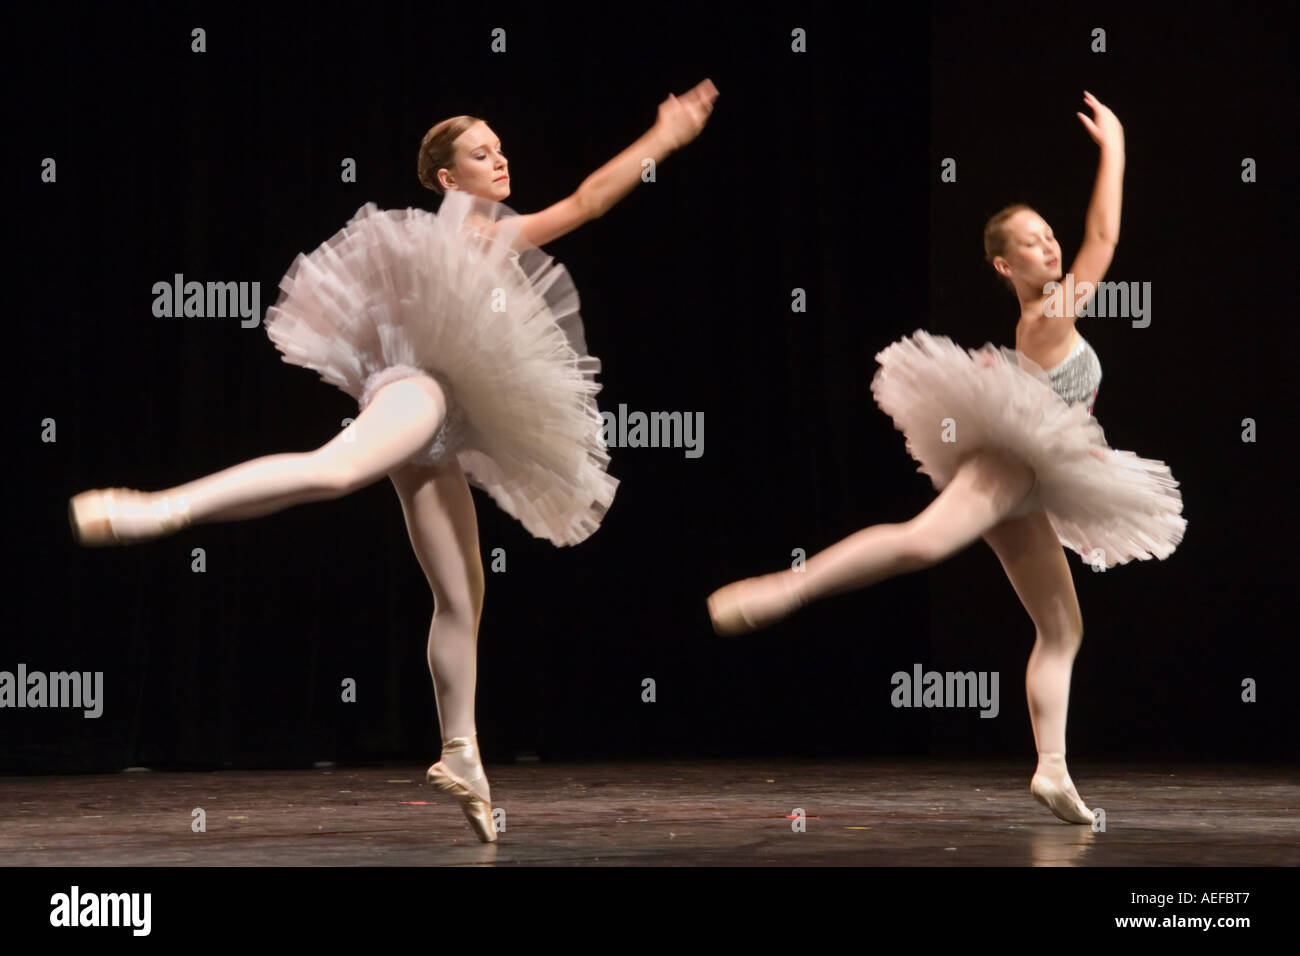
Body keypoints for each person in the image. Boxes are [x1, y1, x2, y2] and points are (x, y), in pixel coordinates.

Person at [69, 79, 720, 842]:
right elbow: (586, 203)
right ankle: (156, 508)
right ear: (449, 177)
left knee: (463, 596)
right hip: (419, 392)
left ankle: (462, 754)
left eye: (502, 147)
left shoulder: (478, 229)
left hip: (435, 429)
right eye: (483, 153)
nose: (500, 160)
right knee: (335, 470)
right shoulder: (467, 229)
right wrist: (661, 140)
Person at [706, 91, 1184, 825]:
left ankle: (1052, 770)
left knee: (1062, 628)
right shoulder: (1052, 313)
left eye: (1049, 235)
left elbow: (1089, 239)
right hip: (1013, 460)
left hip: (1037, 480)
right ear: (1002, 264)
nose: (1050, 247)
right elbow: (1106, 233)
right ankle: (785, 589)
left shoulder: (1048, 311)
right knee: (923, 542)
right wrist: (1115, 146)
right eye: (1031, 242)